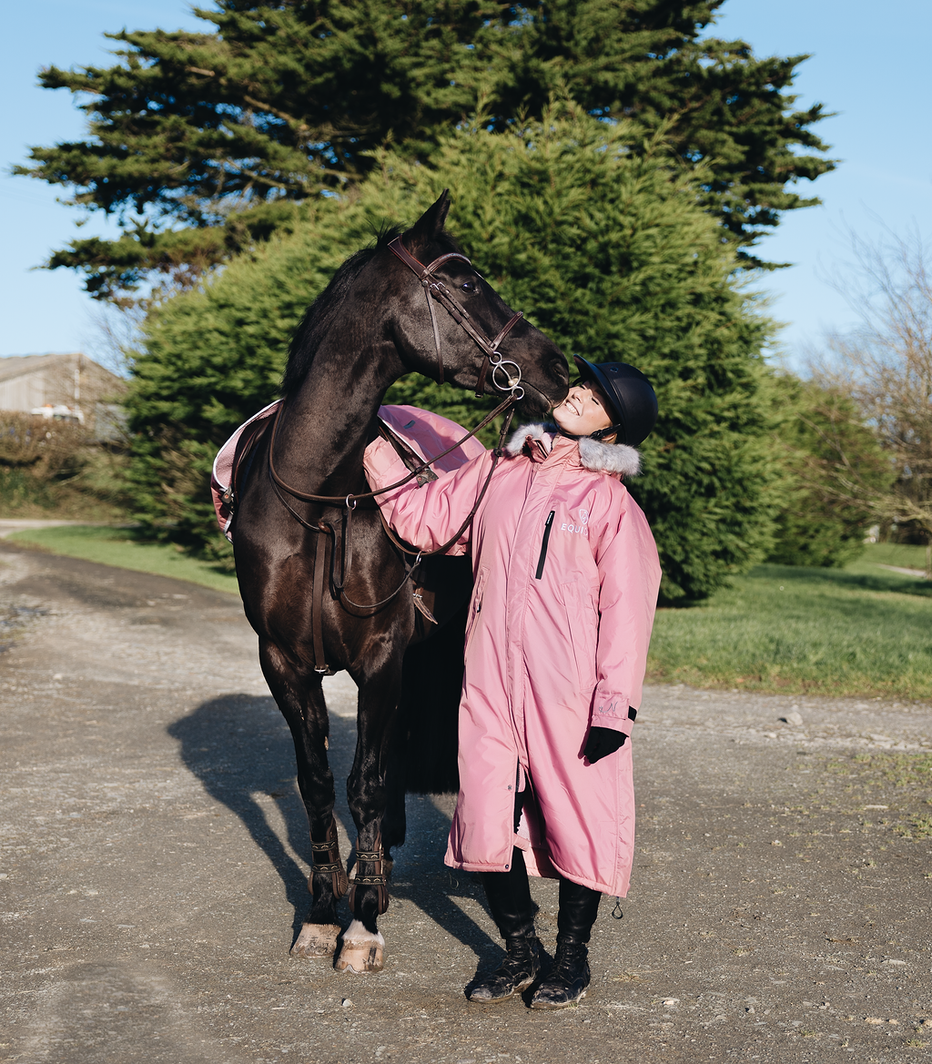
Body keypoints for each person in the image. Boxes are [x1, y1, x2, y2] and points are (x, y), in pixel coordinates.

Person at [363, 356, 662, 1008]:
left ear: (616, 431)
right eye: (582, 384)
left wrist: (613, 707)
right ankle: (521, 951)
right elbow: (425, 520)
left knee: (579, 818)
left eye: (598, 396)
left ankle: (572, 959)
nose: (579, 393)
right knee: (487, 816)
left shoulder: (609, 503)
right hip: (491, 680)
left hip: (570, 692)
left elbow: (629, 612)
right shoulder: (499, 471)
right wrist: (371, 447)